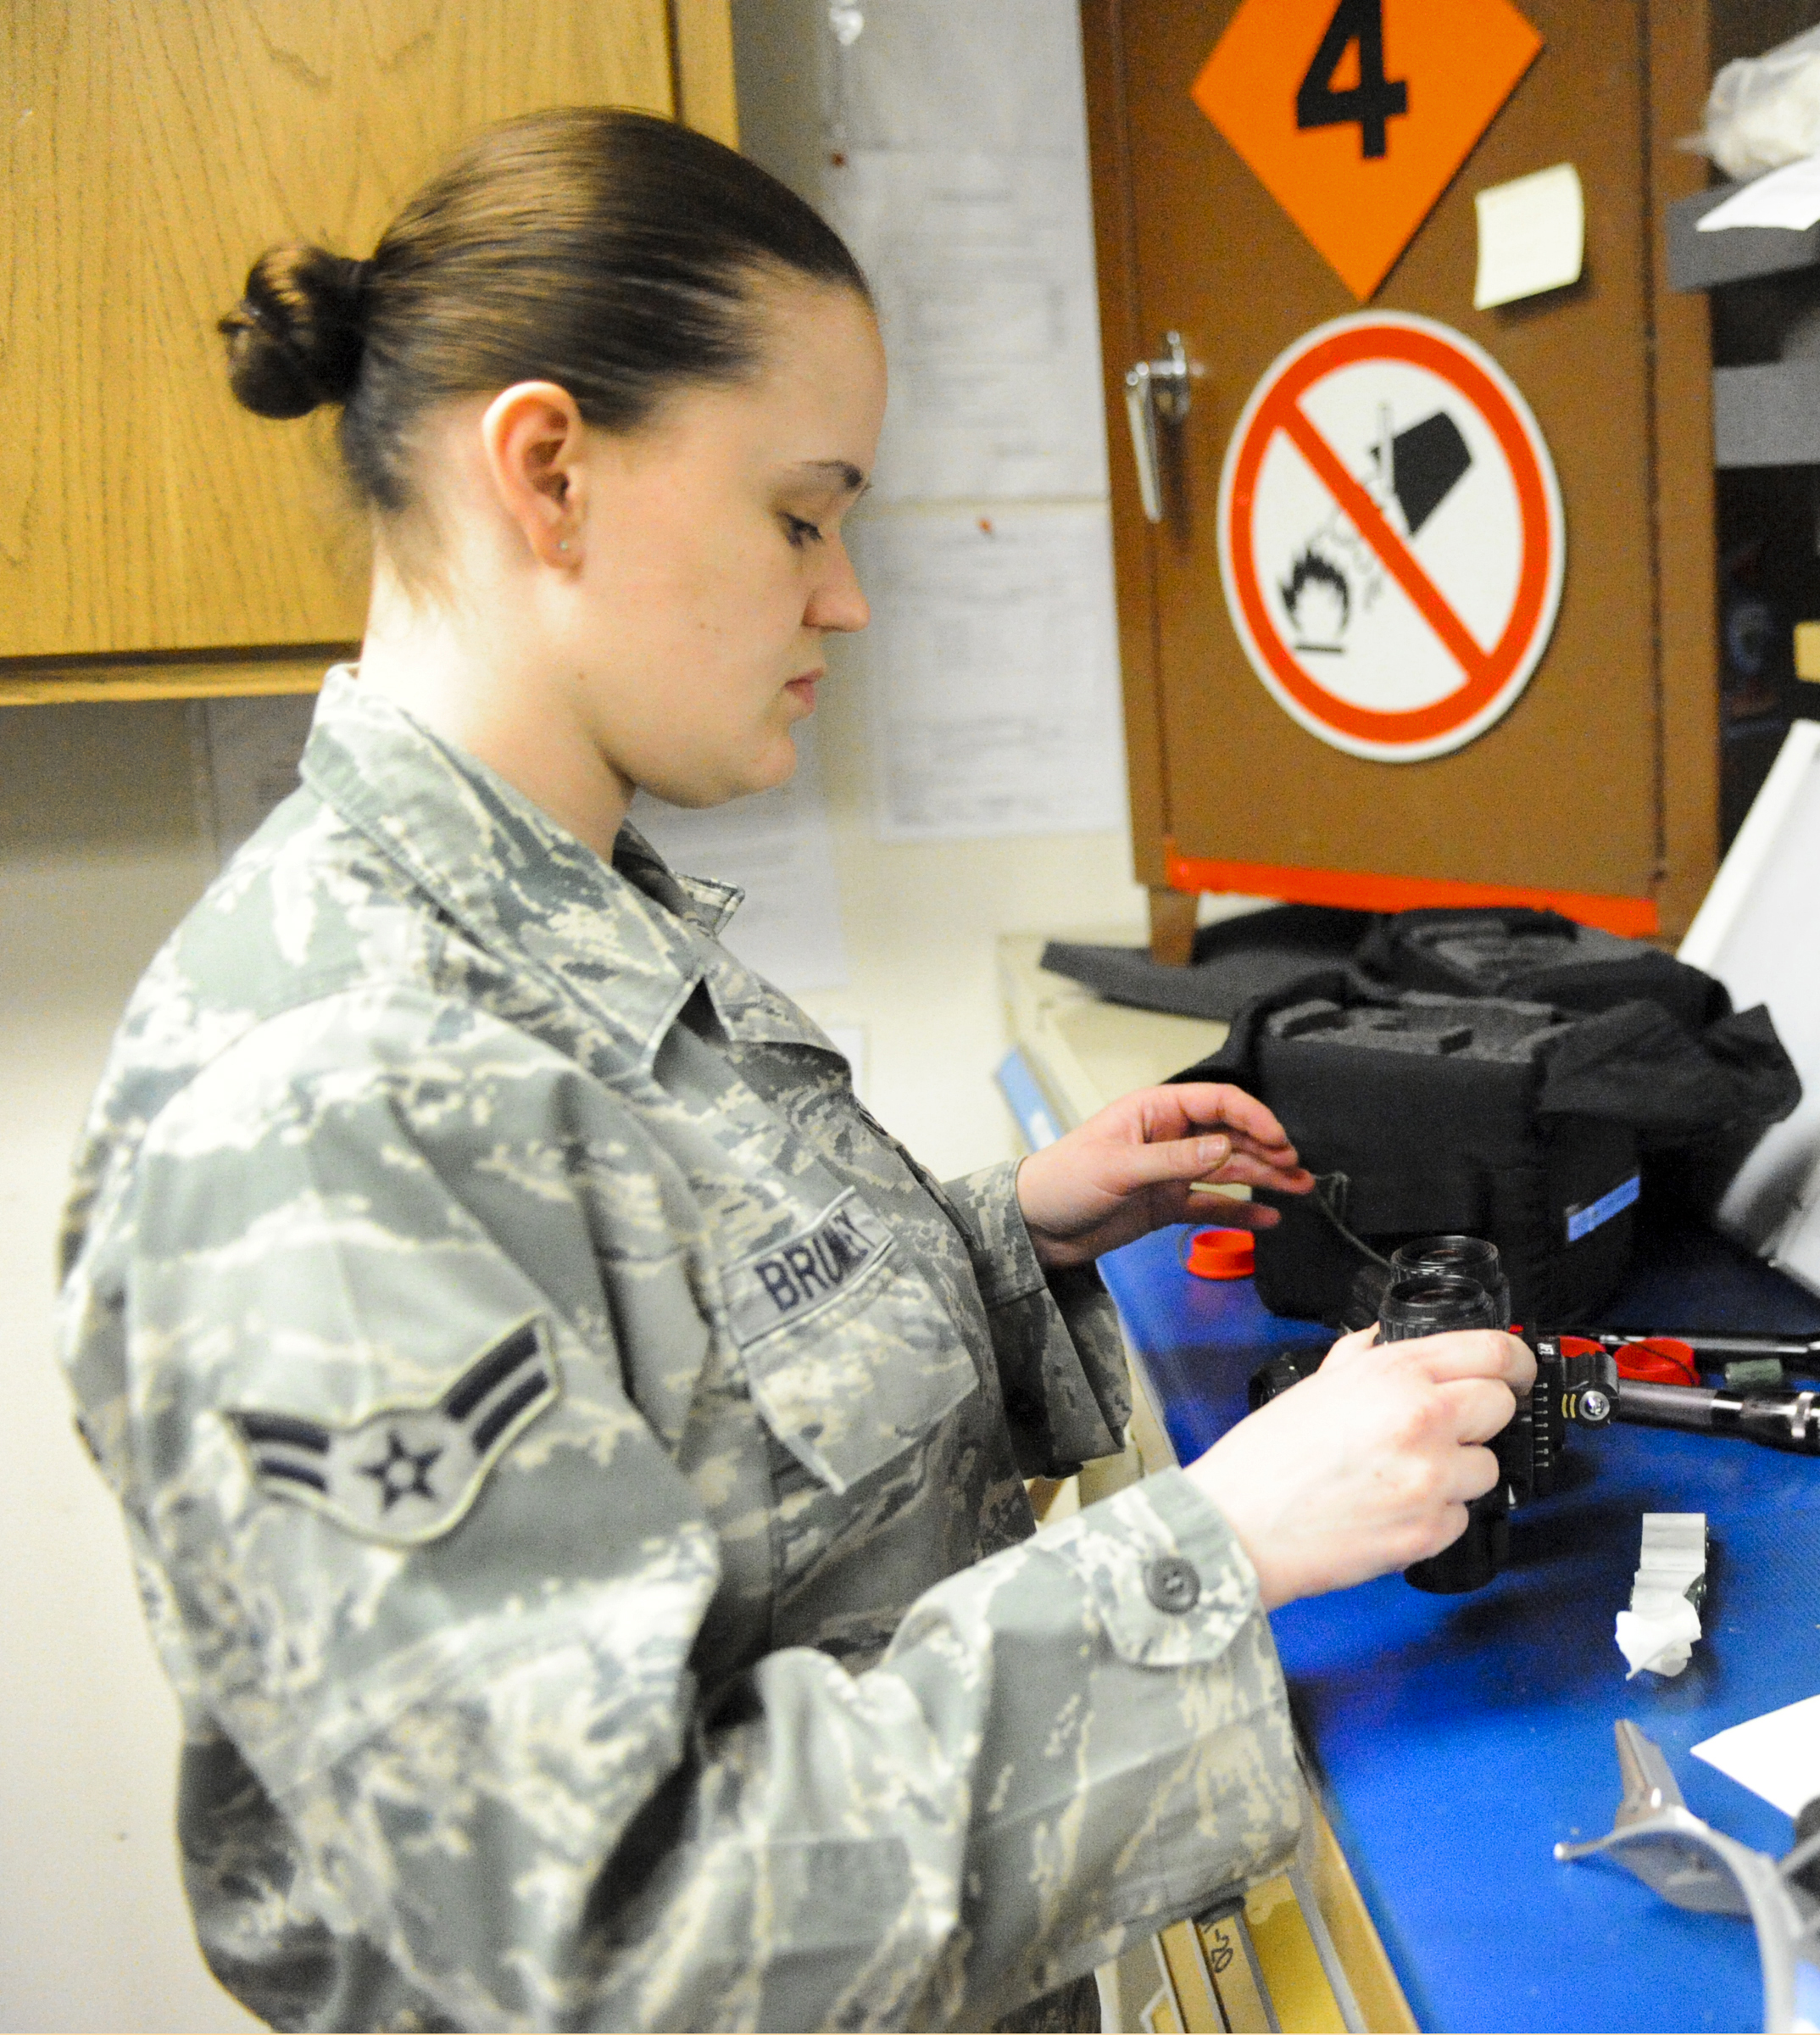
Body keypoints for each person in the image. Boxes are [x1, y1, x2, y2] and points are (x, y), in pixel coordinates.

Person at [54, 109, 1535, 2032]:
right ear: (551, 476)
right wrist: (1219, 1548)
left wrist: (1008, 1237)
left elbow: (692, 1398)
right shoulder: (333, 1100)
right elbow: (609, 1949)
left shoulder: (569, 908)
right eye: (800, 517)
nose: (844, 597)